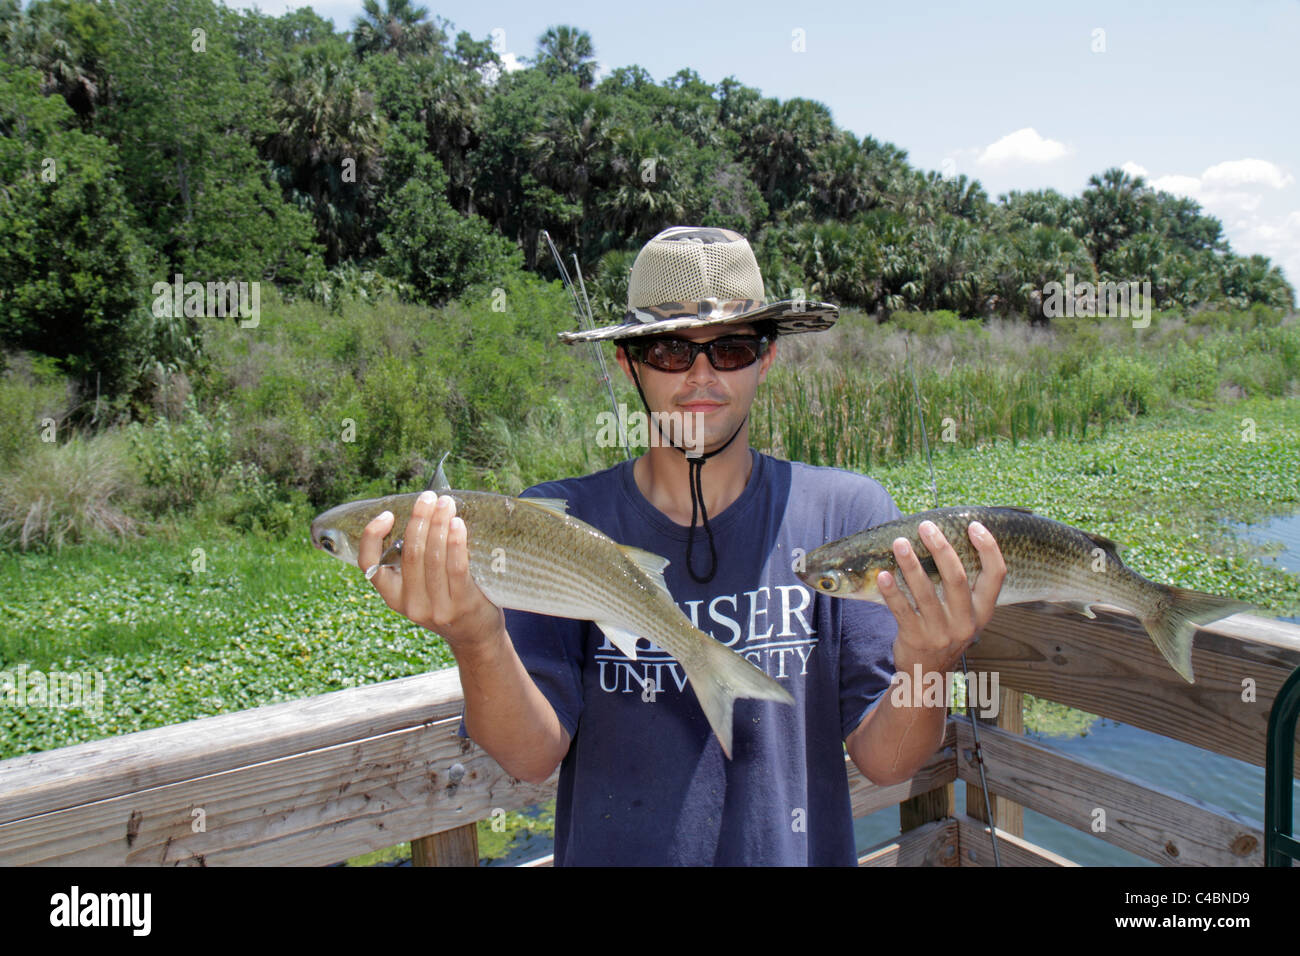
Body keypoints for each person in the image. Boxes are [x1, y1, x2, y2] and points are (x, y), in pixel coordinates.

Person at [359, 225, 1006, 865]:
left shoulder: (849, 515)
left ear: (766, 356)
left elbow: (888, 762)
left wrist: (932, 657)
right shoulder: (556, 520)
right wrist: (475, 636)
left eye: (730, 348)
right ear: (629, 363)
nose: (701, 376)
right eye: (670, 351)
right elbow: (530, 756)